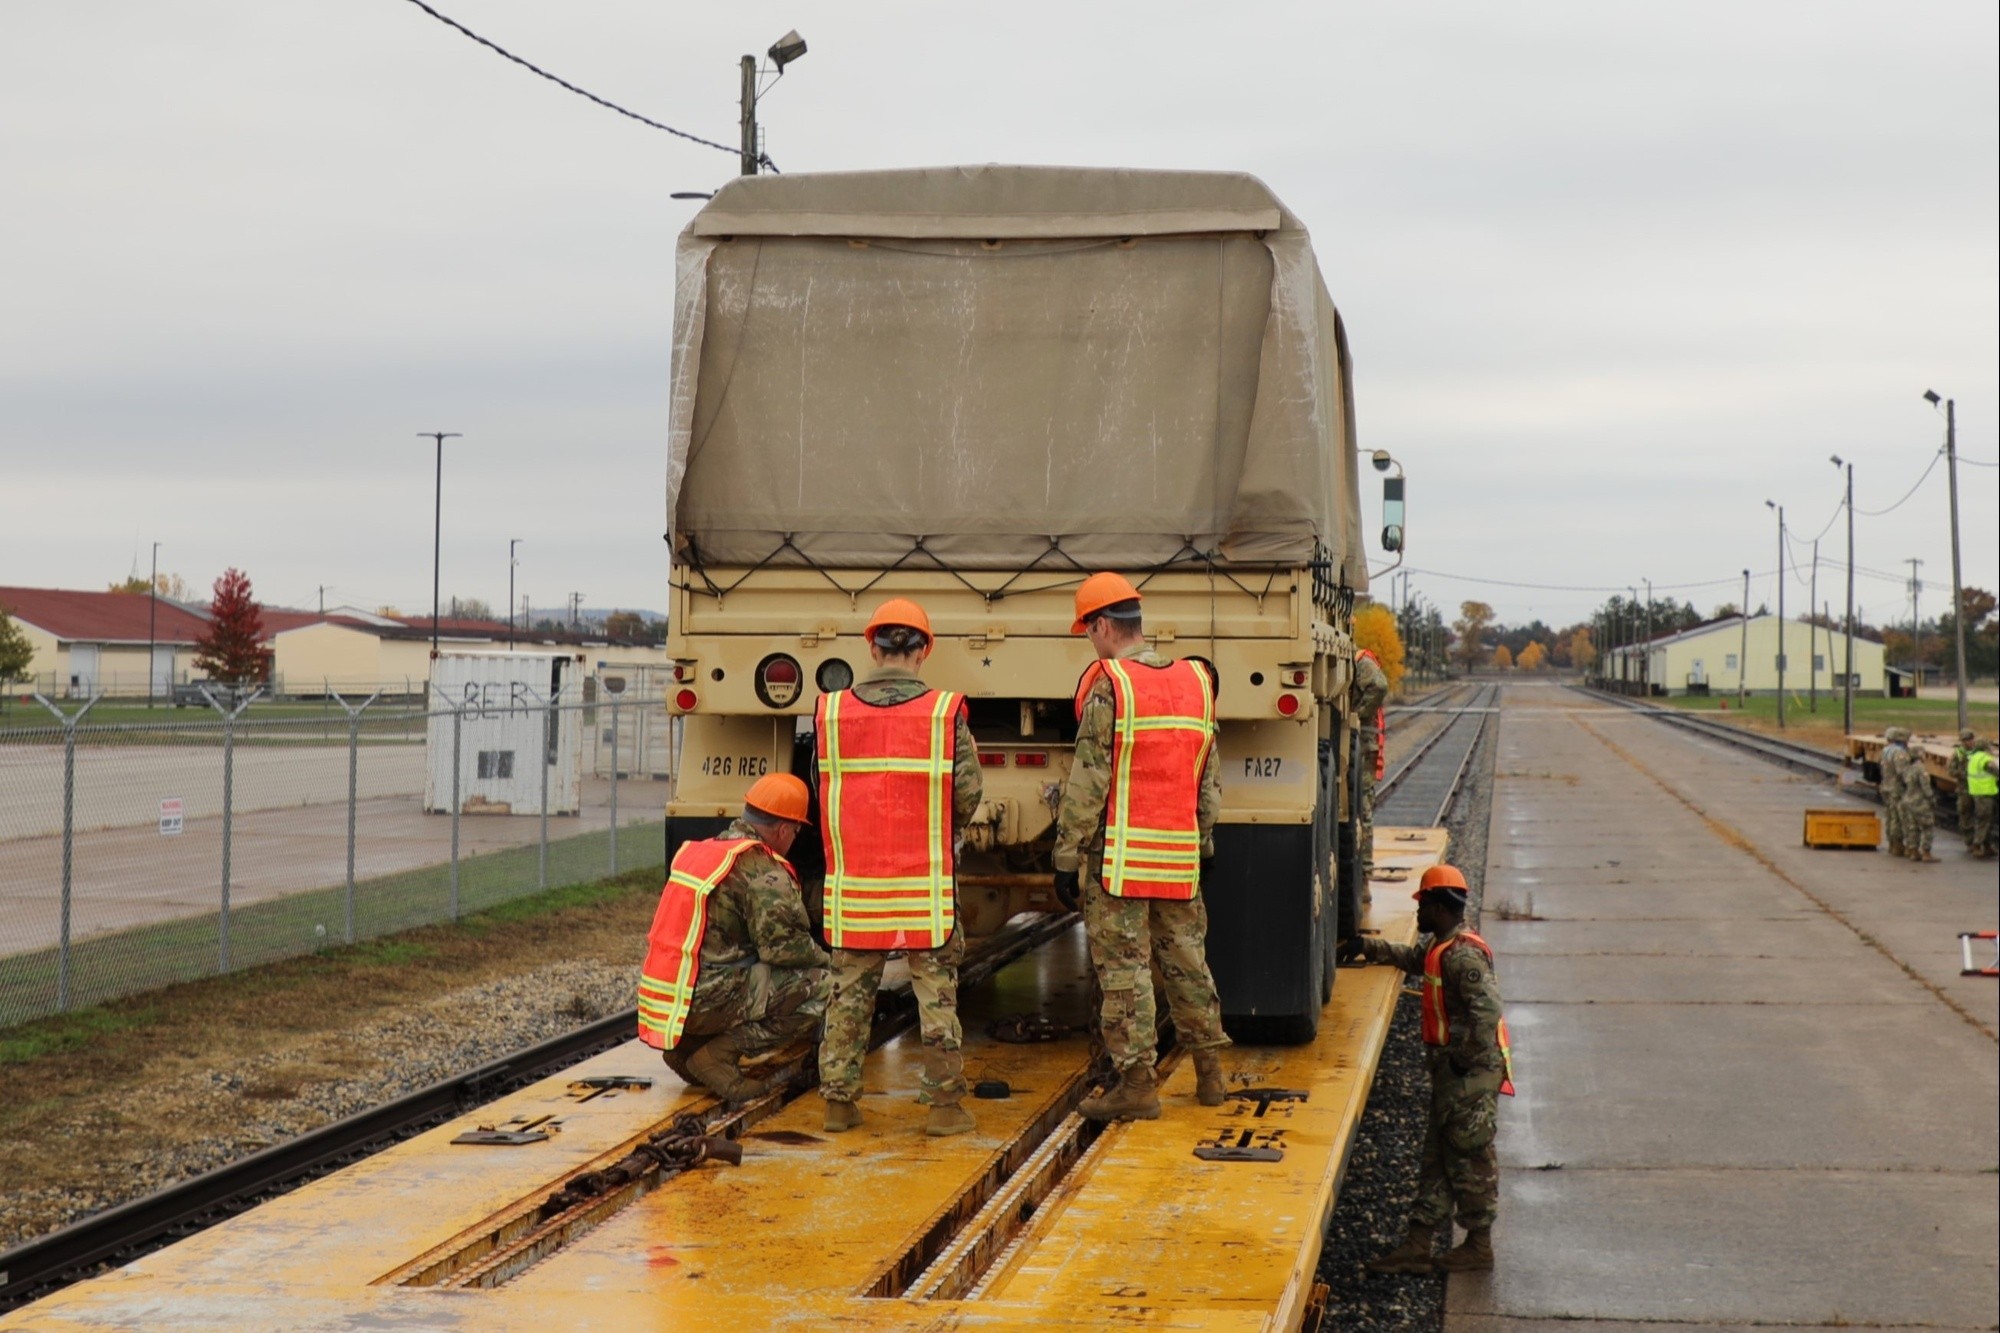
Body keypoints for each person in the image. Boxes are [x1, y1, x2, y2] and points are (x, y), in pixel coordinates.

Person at [1052, 572, 1232, 1122]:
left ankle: (1137, 1086)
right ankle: (1210, 1077)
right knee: (1188, 963)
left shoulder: (1112, 686)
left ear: (1104, 626)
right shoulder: (1196, 683)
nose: (1091, 642)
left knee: (1126, 973)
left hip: (1121, 864)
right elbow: (1208, 777)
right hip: (1177, 859)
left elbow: (1089, 779)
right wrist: (1202, 840)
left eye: (1088, 631)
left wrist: (1067, 854)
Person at [815, 598, 984, 1137]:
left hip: (856, 884)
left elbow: (824, 790)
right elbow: (968, 794)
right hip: (924, 885)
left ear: (872, 647)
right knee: (936, 995)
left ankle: (839, 1104)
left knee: (848, 994)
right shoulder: (943, 713)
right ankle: (944, 1109)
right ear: (923, 651)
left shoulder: (832, 713)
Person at [1344, 863, 1514, 1275]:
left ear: (1438, 908)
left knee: (1469, 1155)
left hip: (1469, 1076)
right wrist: (1369, 947)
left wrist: (1461, 1058)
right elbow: (1413, 959)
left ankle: (1479, 1246)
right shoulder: (1442, 948)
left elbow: (1488, 1012)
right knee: (1438, 1155)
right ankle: (1418, 1244)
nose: (1417, 912)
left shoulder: (1463, 955)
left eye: (1422, 905)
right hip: (1453, 1075)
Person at [640, 773, 831, 1104]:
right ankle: (719, 1057)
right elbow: (783, 950)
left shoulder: (703, 851)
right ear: (784, 830)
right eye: (796, 831)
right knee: (825, 986)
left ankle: (686, 1048)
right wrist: (829, 960)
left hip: (670, 996)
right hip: (707, 999)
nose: (795, 838)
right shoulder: (764, 870)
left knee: (737, 967)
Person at [1349, 648, 1390, 898]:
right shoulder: (1357, 660)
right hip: (1360, 743)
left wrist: (1357, 715)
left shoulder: (1360, 661)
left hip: (1364, 744)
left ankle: (1364, 875)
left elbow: (1380, 685)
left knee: (1363, 809)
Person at [1897, 729, 1939, 863]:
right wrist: (1932, 800)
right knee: (1927, 827)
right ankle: (1926, 852)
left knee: (1912, 828)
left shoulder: (1908, 768)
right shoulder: (1921, 769)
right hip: (1920, 802)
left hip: (1908, 801)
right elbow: (1926, 787)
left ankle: (1913, 852)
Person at [1879, 727, 1913, 858]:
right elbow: (1902, 772)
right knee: (1897, 818)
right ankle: (1898, 845)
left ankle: (1892, 844)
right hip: (1896, 788)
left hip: (1886, 786)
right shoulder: (1899, 752)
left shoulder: (1886, 750)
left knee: (1890, 816)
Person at [1966, 740, 1997, 859]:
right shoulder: (1985, 759)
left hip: (1977, 792)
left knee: (1985, 820)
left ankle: (1987, 846)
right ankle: (1977, 845)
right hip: (1985, 793)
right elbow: (1996, 772)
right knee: (1984, 820)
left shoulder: (1973, 757)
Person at [1951, 729, 1979, 841]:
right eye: (1966, 740)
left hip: (1978, 788)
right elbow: (1951, 771)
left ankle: (1980, 841)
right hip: (1964, 789)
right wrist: (1965, 774)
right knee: (1965, 814)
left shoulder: (1978, 752)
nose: (1969, 742)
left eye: (1971, 739)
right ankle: (1969, 841)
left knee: (1981, 814)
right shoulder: (1958, 754)